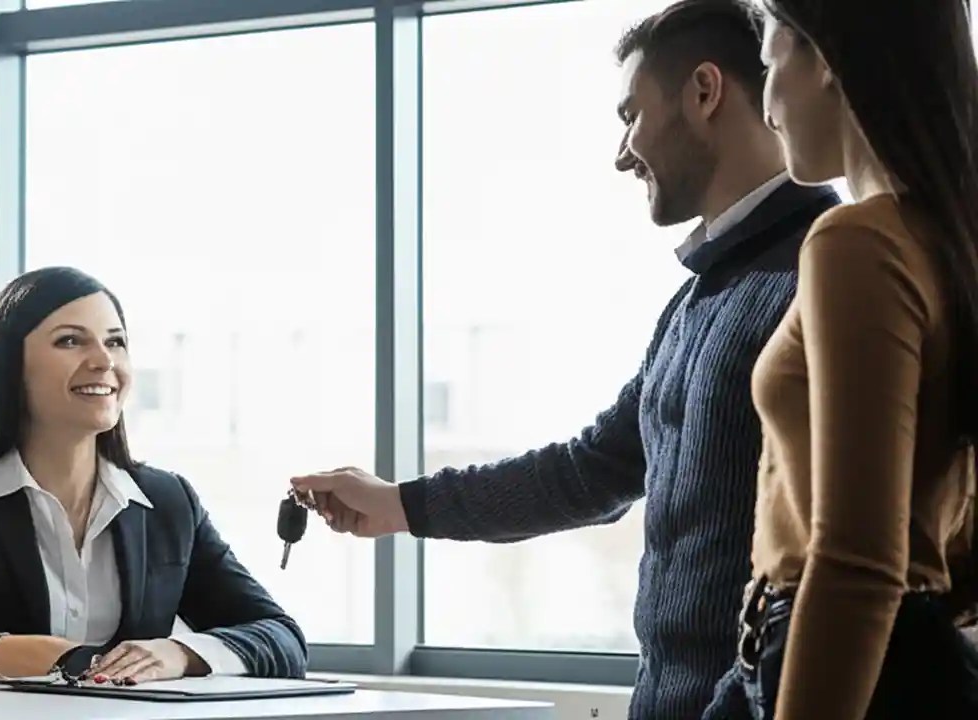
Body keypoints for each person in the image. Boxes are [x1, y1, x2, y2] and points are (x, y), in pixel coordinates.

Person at [288, 2, 840, 717]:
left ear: (705, 92)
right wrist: (399, 505)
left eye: (630, 115)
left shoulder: (827, 272)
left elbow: (839, 559)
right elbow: (591, 470)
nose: (622, 152)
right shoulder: (696, 302)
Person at [0, 267, 306, 684]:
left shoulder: (168, 502)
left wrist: (179, 654)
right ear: (10, 365)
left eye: (116, 342)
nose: (104, 361)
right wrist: (6, 654)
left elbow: (281, 638)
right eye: (71, 340)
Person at [700, 2, 978, 718]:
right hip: (894, 656)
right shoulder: (946, 241)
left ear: (824, 58)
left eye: (768, 65)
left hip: (849, 660)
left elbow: (858, 559)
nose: (766, 108)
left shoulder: (855, 242)